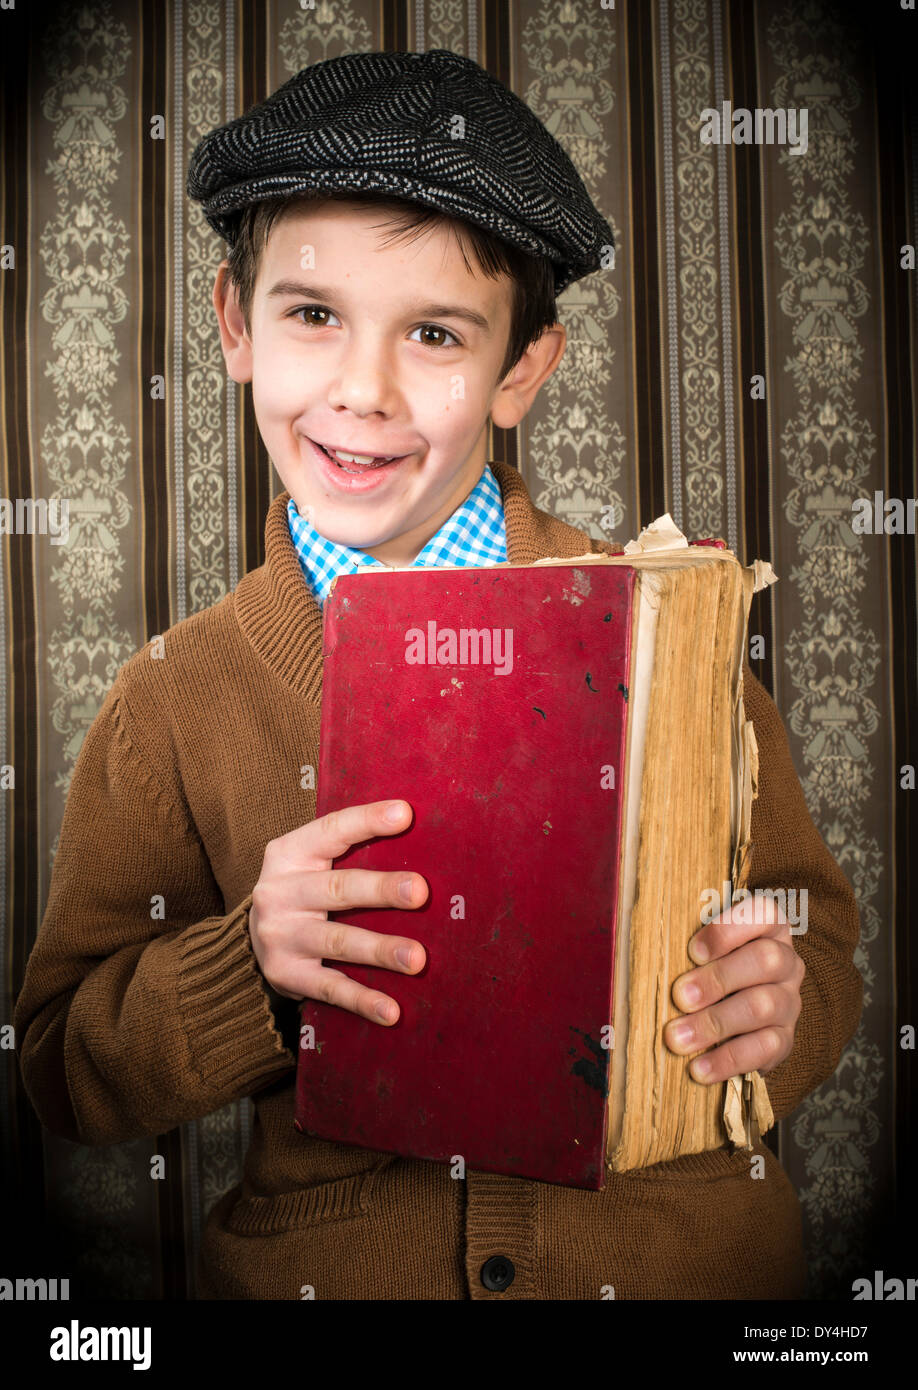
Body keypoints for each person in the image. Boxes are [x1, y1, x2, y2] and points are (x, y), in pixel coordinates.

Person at [14, 48, 861, 1300]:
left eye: (433, 333)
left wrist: (778, 998)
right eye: (313, 314)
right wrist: (248, 966)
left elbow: (816, 932)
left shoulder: (663, 626)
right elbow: (59, 1064)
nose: (362, 389)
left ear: (520, 369)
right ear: (236, 327)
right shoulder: (173, 700)